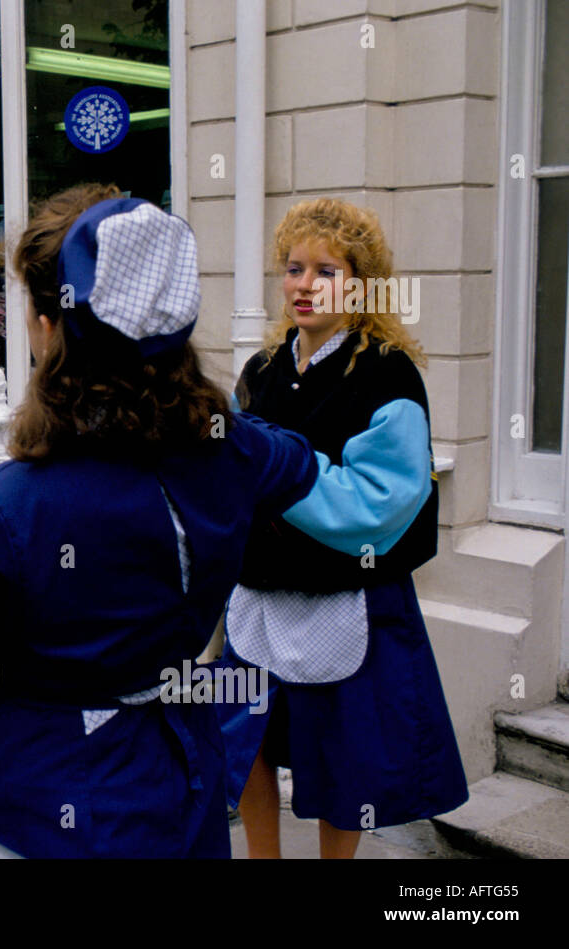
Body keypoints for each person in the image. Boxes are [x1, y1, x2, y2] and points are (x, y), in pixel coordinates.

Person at [0, 185, 426, 858]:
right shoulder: (235, 449)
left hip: (52, 782)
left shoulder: (9, 503)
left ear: (53, 327)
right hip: (181, 773)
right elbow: (316, 474)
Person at [218, 198, 468, 858]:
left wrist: (279, 476)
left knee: (345, 759)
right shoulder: (263, 371)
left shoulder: (387, 374)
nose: (304, 284)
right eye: (293, 268)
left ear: (362, 281)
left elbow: (379, 502)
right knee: (244, 738)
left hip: (348, 599)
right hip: (260, 596)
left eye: (325, 269)